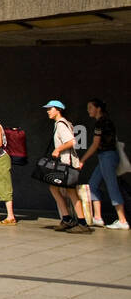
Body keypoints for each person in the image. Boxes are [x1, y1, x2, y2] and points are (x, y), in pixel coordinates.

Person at [78, 99, 128, 229]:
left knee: (112, 186)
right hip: (104, 157)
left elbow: (95, 144)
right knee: (93, 185)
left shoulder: (101, 122)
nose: (88, 110)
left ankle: (122, 221)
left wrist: (82, 160)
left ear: (98, 108)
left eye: (90, 107)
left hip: (108, 157)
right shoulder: (105, 121)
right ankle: (98, 218)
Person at [42, 100, 91, 232]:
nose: (48, 111)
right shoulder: (62, 123)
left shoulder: (61, 124)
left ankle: (81, 223)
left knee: (71, 192)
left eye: (50, 109)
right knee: (54, 188)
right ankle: (67, 218)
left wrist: (58, 150)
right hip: (66, 163)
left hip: (67, 163)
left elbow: (71, 141)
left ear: (58, 110)